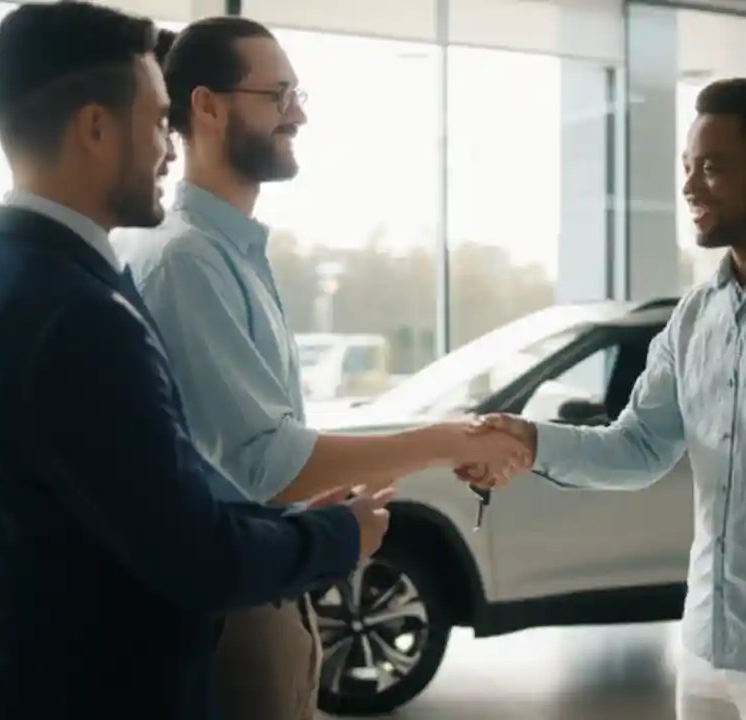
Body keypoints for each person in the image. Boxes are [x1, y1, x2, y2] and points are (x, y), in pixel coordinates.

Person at [0, 4, 391, 719]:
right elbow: (198, 559)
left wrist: (285, 527)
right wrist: (341, 536)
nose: (169, 147)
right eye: (157, 118)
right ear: (96, 128)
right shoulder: (78, 318)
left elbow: (133, 504)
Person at [462, 78, 746, 720]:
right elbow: (639, 447)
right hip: (704, 650)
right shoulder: (693, 317)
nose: (689, 188)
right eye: (688, 168)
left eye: (711, 169)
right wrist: (530, 439)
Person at [115, 17, 530, 719]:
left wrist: (400, 465)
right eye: (278, 95)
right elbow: (266, 463)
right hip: (231, 613)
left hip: (269, 588)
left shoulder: (231, 256)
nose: (299, 113)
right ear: (208, 106)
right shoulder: (186, 261)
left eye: (297, 94)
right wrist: (450, 441)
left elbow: (258, 454)